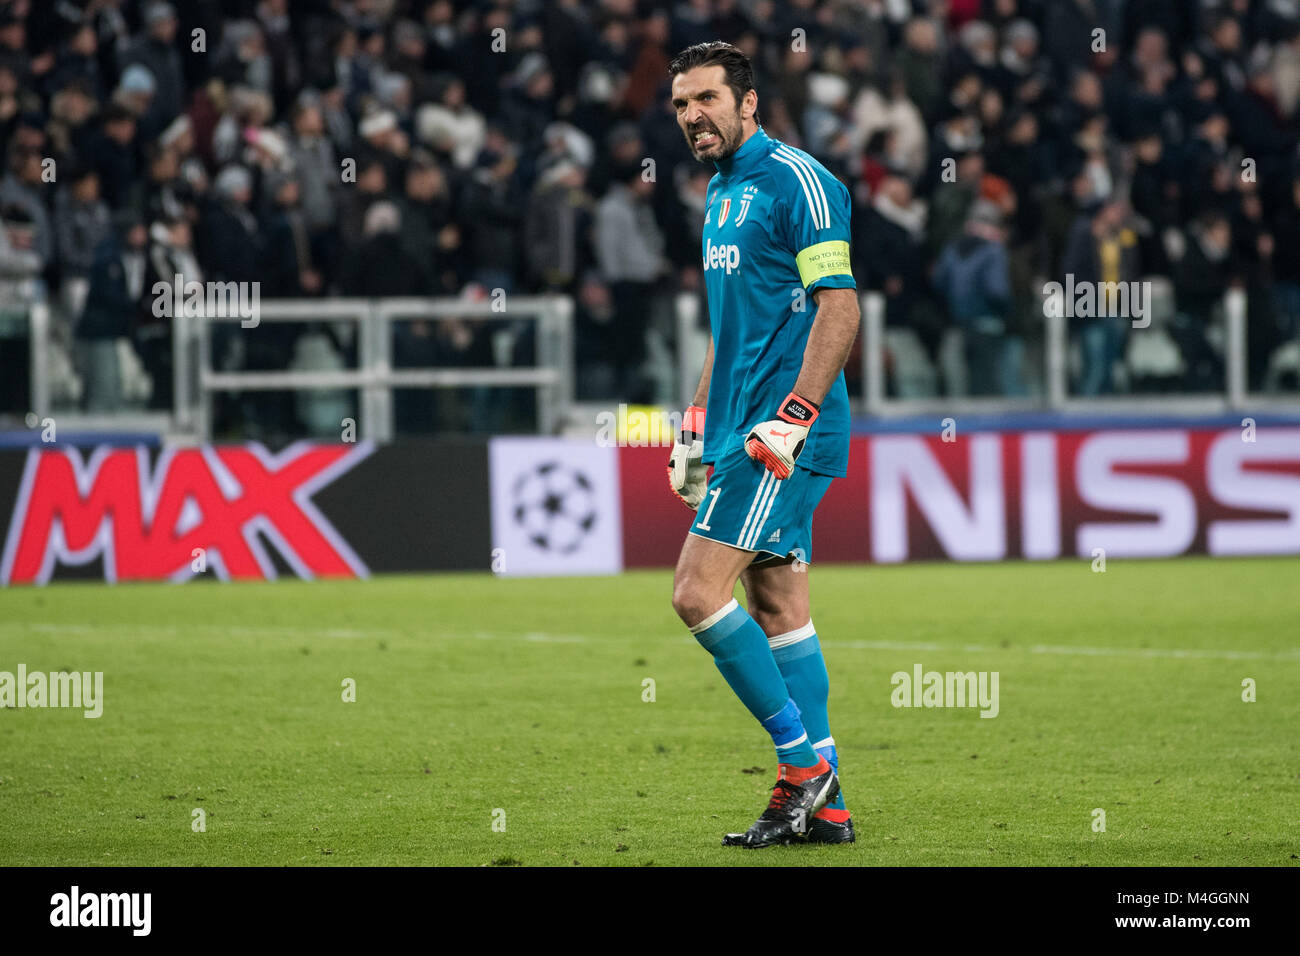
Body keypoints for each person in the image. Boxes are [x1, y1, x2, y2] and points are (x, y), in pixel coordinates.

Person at [665, 42, 859, 848]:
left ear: (748, 103)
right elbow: (731, 327)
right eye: (680, 105)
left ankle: (803, 769)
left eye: (706, 99)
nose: (692, 116)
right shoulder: (719, 192)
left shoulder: (800, 183)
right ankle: (830, 809)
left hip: (781, 436)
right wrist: (694, 424)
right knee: (777, 604)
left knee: (695, 593)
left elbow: (839, 310)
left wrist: (794, 413)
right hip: (741, 430)